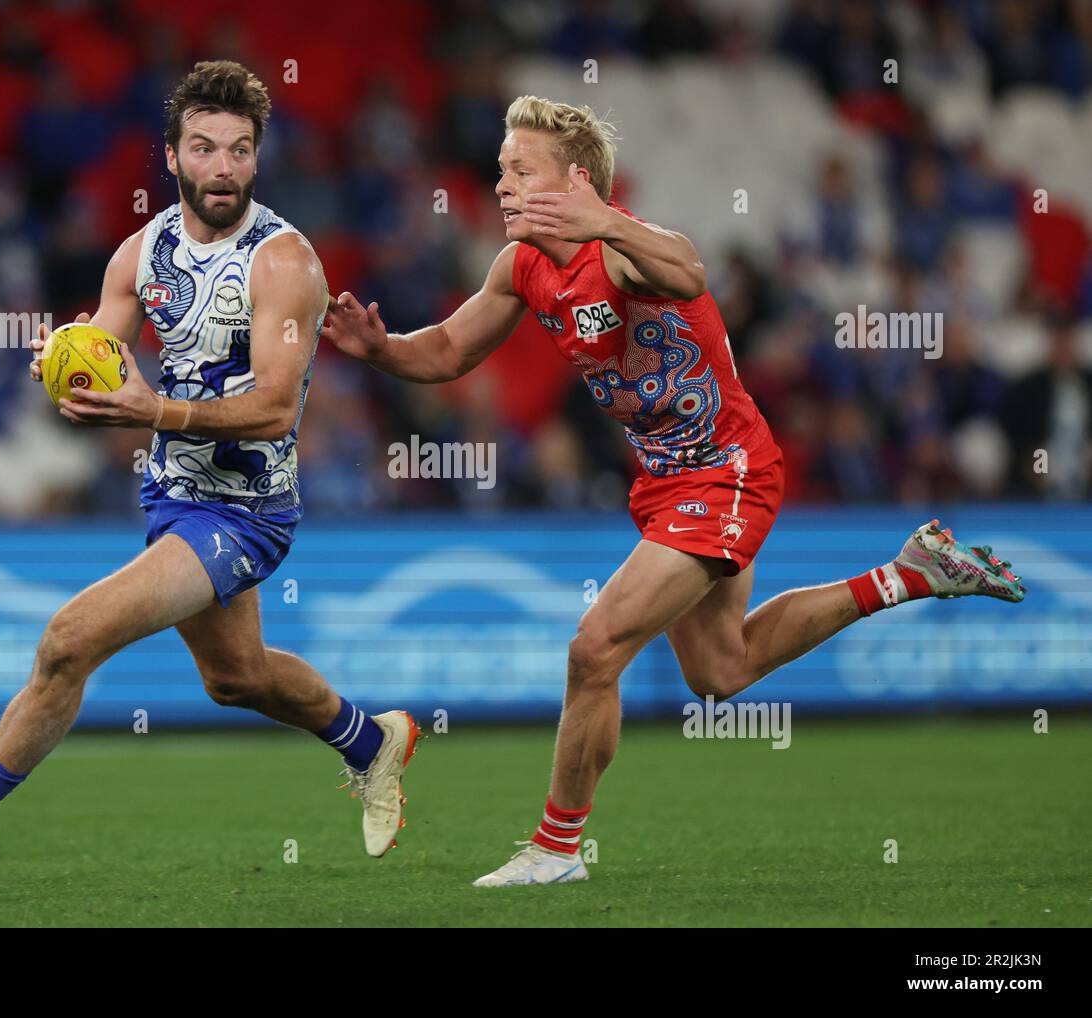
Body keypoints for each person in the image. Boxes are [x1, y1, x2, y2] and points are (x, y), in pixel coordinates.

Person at [322, 95, 1024, 887]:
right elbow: (448, 349)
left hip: (727, 470)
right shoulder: (520, 265)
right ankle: (909, 574)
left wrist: (607, 222)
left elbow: (690, 270)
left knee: (595, 650)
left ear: (577, 181)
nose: (504, 187)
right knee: (721, 672)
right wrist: (381, 350)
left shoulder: (623, 250)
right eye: (500, 172)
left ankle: (556, 850)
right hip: (667, 480)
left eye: (521, 171)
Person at [0, 60, 417, 880]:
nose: (221, 167)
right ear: (172, 156)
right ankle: (373, 742)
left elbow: (274, 407)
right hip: (172, 494)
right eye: (204, 148)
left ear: (258, 159)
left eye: (238, 150)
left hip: (245, 511)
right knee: (237, 680)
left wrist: (153, 411)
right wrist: (62, 368)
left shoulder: (286, 263)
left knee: (67, 641)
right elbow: (103, 353)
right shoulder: (139, 252)